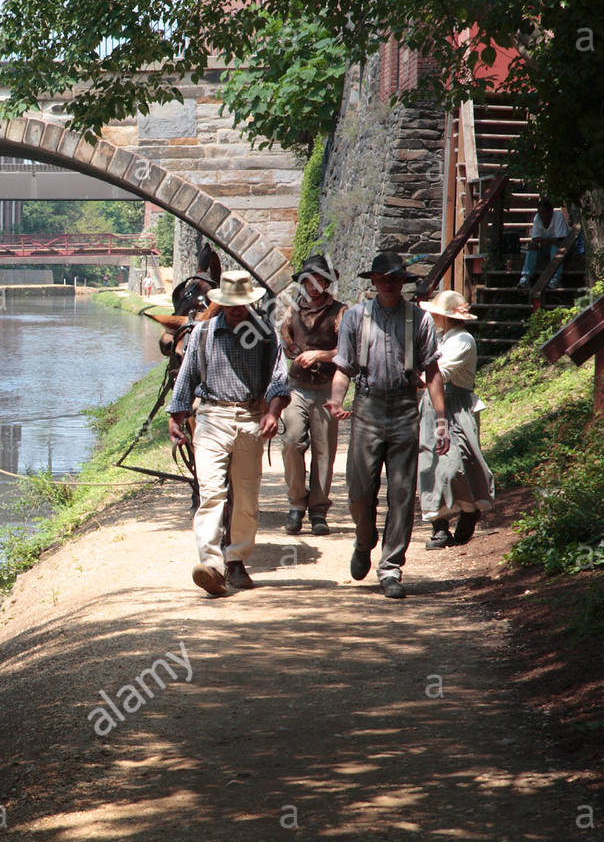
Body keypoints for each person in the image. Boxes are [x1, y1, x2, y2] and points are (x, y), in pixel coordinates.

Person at [324, 251, 450, 600]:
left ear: (403, 283)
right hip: (367, 406)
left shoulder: (418, 319)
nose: (389, 283)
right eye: (383, 278)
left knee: (401, 492)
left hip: (405, 406)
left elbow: (433, 371)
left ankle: (391, 567)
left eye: (395, 279)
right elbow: (343, 367)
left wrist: (441, 420)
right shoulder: (354, 317)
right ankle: (364, 540)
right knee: (359, 490)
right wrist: (336, 401)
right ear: (374, 282)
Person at [168, 270, 291, 597]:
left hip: (251, 417)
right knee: (211, 492)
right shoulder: (203, 333)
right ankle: (211, 565)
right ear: (220, 303)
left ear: (251, 303)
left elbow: (279, 379)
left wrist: (273, 413)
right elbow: (187, 377)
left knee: (247, 496)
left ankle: (236, 559)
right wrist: (176, 418)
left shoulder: (265, 334)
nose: (237, 310)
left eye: (243, 304)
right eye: (231, 305)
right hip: (210, 417)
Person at [417, 290, 495, 548]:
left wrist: (414, 377)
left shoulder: (463, 340)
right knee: (429, 463)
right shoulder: (439, 338)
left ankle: (470, 510)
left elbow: (441, 373)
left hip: (456, 406)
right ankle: (439, 526)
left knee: (457, 463)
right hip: (431, 404)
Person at [279, 254, 345, 537]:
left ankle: (319, 511)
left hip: (327, 388)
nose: (314, 285)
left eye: (320, 280)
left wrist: (321, 355)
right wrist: (293, 355)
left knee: (324, 451)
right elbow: (285, 343)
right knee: (292, 440)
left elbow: (348, 352)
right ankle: (296, 503)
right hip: (297, 387)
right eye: (309, 280)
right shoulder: (290, 311)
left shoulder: (341, 312)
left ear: (327, 283)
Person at [517, 199, 568, 289]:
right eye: (540, 213)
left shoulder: (558, 216)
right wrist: (548, 241)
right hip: (545, 248)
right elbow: (535, 238)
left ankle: (555, 278)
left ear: (550, 211)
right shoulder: (537, 218)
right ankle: (526, 277)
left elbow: (560, 240)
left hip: (559, 249)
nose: (542, 215)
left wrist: (544, 241)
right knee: (532, 245)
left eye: (544, 212)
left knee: (556, 246)